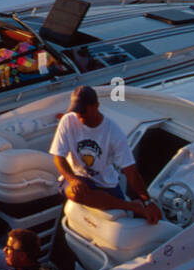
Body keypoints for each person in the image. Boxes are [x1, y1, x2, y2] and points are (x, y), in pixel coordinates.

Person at [49, 85, 161, 223]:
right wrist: (72, 179)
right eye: (76, 111)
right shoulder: (68, 120)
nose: (79, 115)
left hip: (105, 182)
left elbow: (130, 171)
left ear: (96, 105)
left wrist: (147, 201)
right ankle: (132, 206)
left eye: (83, 110)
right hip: (78, 177)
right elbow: (58, 157)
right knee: (75, 193)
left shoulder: (114, 132)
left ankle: (135, 206)